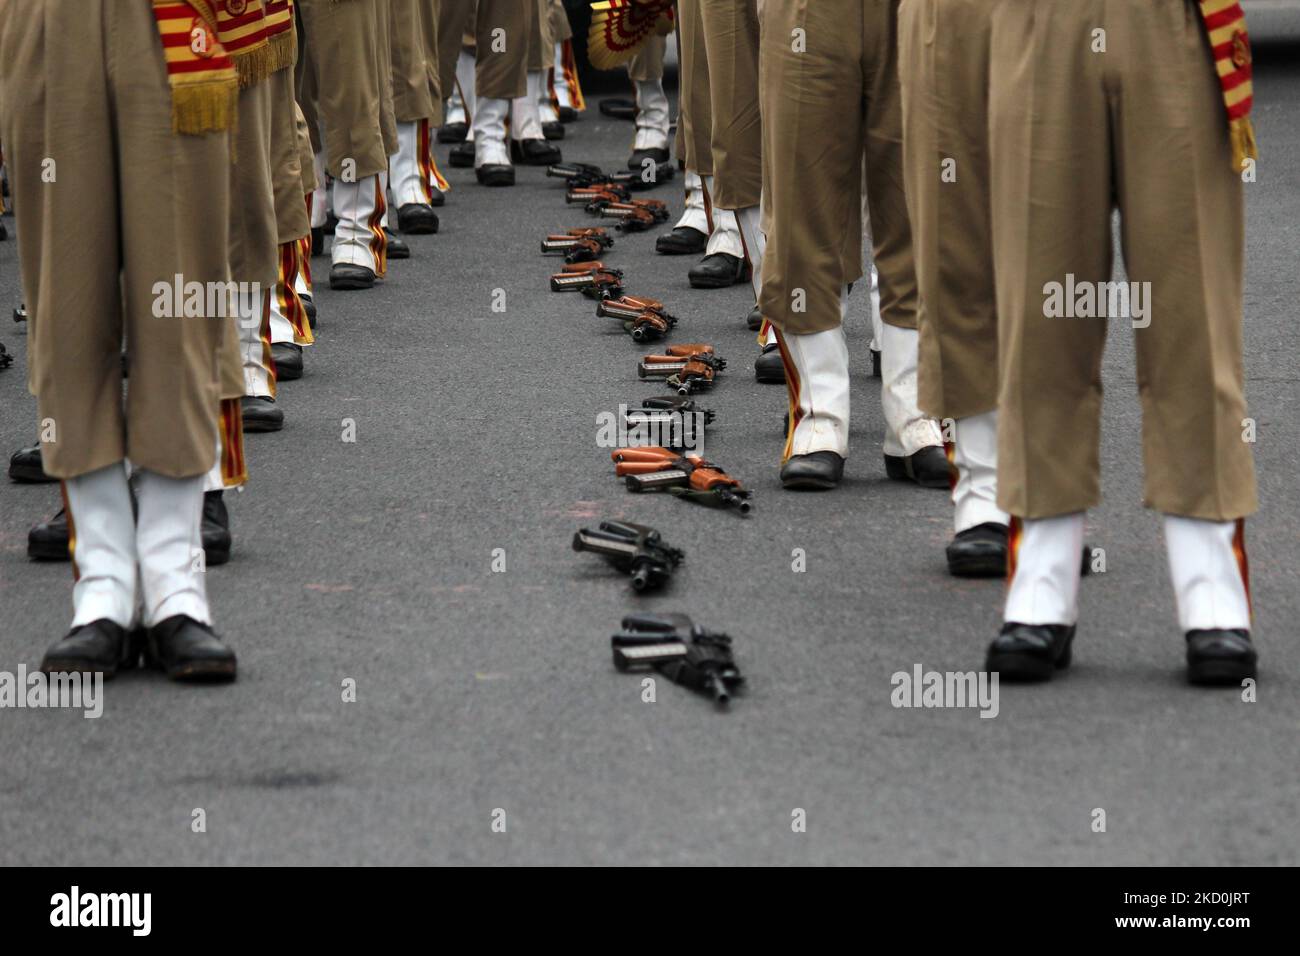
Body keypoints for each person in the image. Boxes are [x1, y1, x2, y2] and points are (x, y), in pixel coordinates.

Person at [984, 0, 1259, 684]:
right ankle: (1042, 579)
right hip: (1042, 20)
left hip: (1173, 22)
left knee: (1191, 314)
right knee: (1042, 316)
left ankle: (1211, 586)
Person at [1, 0, 240, 680]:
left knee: (181, 306)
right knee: (67, 309)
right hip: (48, 19)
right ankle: (101, 586)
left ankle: (175, 585)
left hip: (171, 18)